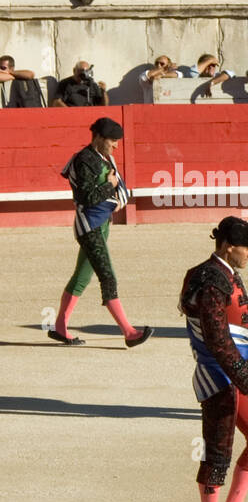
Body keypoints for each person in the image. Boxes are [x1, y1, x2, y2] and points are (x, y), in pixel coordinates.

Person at [180, 216, 248, 502]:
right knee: (217, 451)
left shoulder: (221, 274)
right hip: (219, 379)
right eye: (247, 248)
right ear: (228, 246)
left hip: (232, 374)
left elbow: (236, 323)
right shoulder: (211, 280)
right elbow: (217, 341)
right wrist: (247, 381)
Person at [49, 117, 153, 348]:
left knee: (82, 277)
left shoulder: (104, 157)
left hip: (101, 223)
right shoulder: (84, 160)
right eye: (112, 140)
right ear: (98, 137)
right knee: (107, 276)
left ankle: (59, 327)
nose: (116, 145)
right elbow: (87, 198)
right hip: (90, 226)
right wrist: (111, 184)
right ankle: (128, 332)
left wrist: (114, 187)